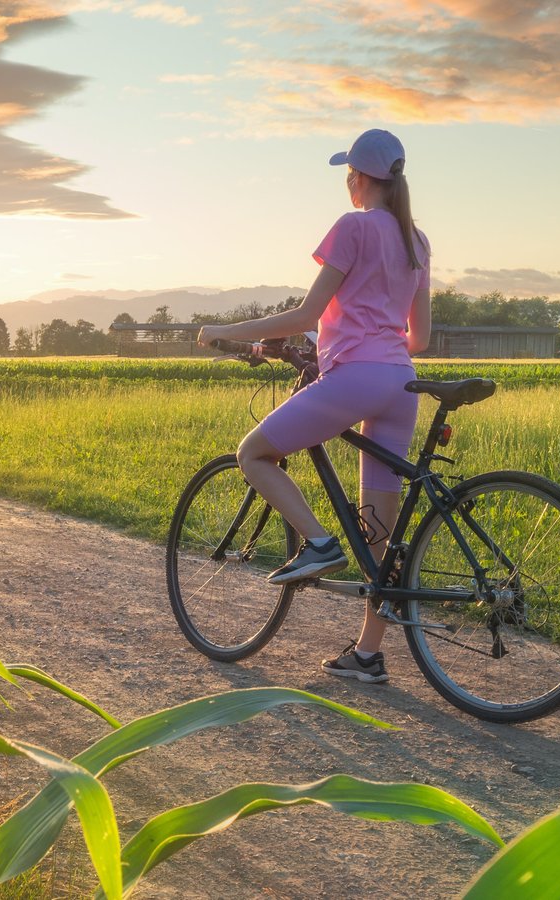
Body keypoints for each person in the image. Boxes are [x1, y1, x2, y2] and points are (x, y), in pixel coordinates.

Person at [196, 127, 431, 685]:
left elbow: (305, 314)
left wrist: (224, 330)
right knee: (380, 531)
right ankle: (368, 656)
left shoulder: (353, 226)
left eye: (347, 173)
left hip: (355, 378)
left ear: (357, 177)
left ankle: (319, 543)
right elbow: (416, 336)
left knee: (253, 453)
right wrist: (356, 335)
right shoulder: (415, 239)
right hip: (401, 380)